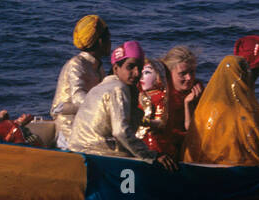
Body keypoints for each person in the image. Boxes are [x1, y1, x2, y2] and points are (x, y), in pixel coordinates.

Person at [66, 41, 178, 169]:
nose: (137, 73)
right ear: (116, 69)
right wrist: (151, 156)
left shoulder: (100, 87)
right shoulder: (119, 88)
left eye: (140, 68)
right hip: (96, 156)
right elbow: (120, 131)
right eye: (130, 67)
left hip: (77, 153)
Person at [183, 55, 259, 166]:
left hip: (209, 168)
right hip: (249, 170)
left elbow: (194, 139)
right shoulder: (253, 112)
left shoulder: (207, 109)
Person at [50, 15, 110, 150]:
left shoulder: (98, 67)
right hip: (69, 131)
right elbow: (78, 97)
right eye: (109, 38)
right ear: (101, 41)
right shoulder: (76, 65)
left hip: (87, 128)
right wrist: (106, 107)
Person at [160, 45, 203, 147]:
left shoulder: (197, 90)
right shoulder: (162, 95)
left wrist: (189, 103)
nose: (189, 78)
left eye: (192, 72)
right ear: (169, 73)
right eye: (182, 74)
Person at [138, 58, 181, 159]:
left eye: (147, 73)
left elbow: (161, 123)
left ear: (158, 77)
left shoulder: (162, 97)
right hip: (139, 141)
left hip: (155, 143)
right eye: (141, 72)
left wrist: (143, 121)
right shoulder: (138, 95)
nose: (141, 77)